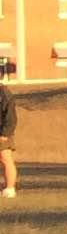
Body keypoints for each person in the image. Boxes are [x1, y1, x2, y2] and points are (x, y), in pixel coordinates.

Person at [0, 57, 19, 199]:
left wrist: (5, 133)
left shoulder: (5, 94)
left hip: (3, 132)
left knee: (5, 158)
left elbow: (11, 116)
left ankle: (10, 188)